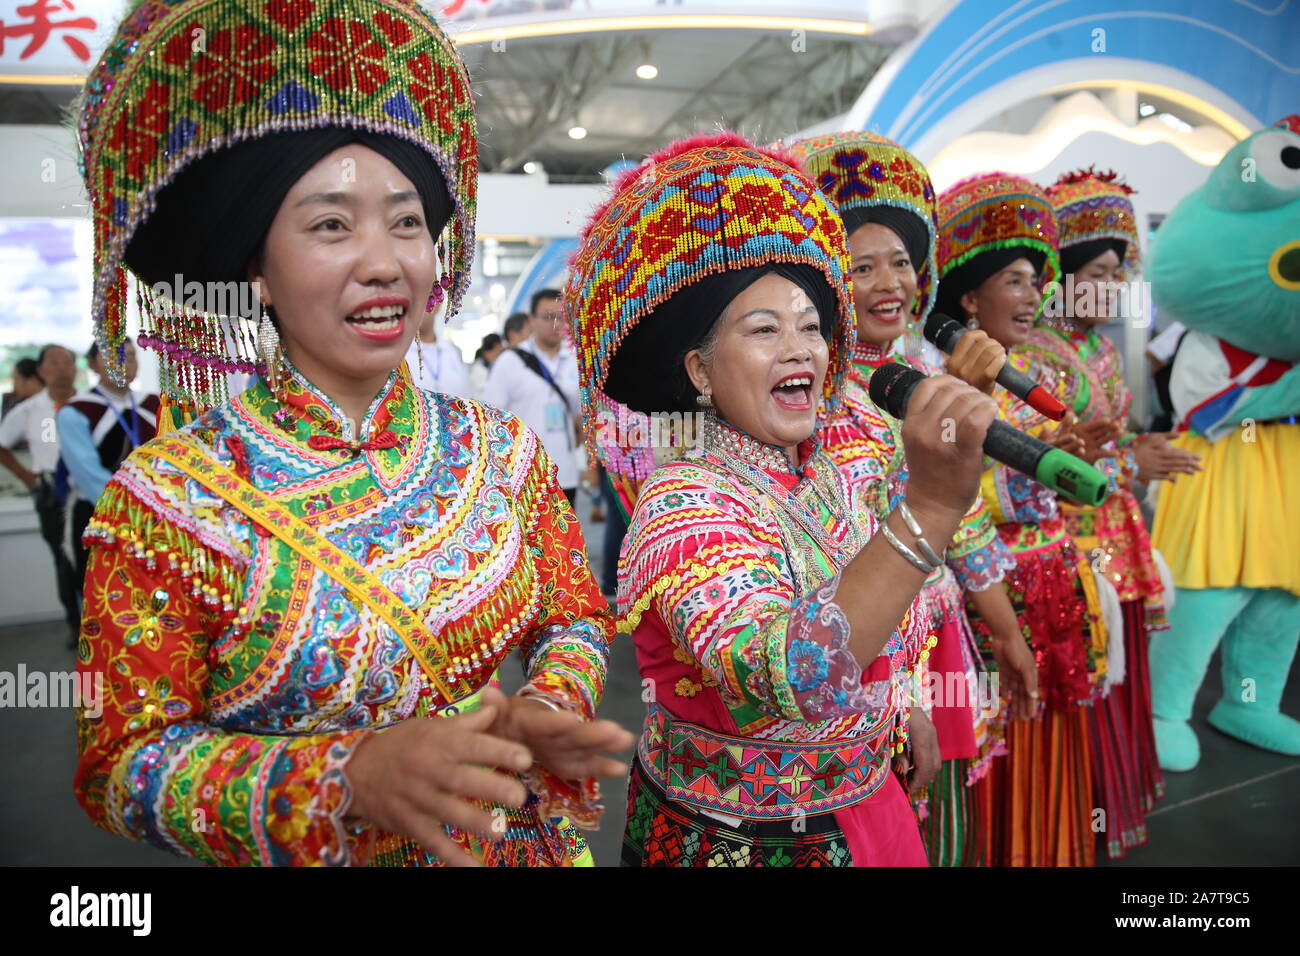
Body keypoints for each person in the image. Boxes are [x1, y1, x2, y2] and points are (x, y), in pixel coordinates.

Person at [72, 0, 631, 868]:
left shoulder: (499, 452)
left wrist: (546, 711)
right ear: (256, 267)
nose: (385, 260)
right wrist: (346, 776)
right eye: (332, 225)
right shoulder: (170, 498)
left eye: (406, 222)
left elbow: (574, 614)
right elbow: (120, 765)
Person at [569, 132, 1000, 867]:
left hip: (867, 805)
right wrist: (927, 510)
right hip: (742, 845)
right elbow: (790, 673)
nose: (801, 349)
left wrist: (899, 705)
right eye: (765, 330)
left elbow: (879, 621)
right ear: (701, 370)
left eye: (810, 327)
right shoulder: (684, 503)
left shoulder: (829, 470)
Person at [790, 131, 1039, 867]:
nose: (888, 282)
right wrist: (892, 695)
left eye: (900, 261)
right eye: (860, 266)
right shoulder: (806, 400)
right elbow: (820, 565)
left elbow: (955, 524)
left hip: (942, 645)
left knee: (947, 824)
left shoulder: (920, 376)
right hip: (861, 661)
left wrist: (1007, 631)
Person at [1019, 169, 1199, 857]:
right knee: (1096, 666)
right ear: (1060, 275)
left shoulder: (1095, 346)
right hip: (1069, 546)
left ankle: (1113, 800)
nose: (1116, 284)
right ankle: (1084, 808)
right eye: (1100, 270)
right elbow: (1037, 464)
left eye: (1121, 270)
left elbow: (1102, 437)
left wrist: (1134, 447)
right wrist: (1130, 465)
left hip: (1112, 536)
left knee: (1123, 668)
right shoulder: (1034, 356)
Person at [936, 171, 1113, 867]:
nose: (1033, 296)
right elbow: (948, 495)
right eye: (1014, 280)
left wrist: (1064, 465)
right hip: (992, 593)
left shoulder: (1040, 378)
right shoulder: (937, 380)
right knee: (1000, 741)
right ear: (969, 298)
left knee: (1053, 734)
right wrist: (1023, 473)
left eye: (1038, 282)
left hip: (1055, 579)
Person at [1146, 116, 1300, 772]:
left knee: (1281, 594)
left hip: (1283, 470)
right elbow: (1207, 411)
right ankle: (1164, 708)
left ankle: (1250, 700)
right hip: (1215, 467)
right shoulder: (1207, 344)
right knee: (1205, 593)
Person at [56, 340, 161, 584]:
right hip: (101, 512)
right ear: (93, 364)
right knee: (104, 592)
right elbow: (88, 472)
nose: (127, 363)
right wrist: (132, 508)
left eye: (132, 356)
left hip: (155, 512)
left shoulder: (155, 404)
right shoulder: (76, 411)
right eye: (115, 356)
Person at [0, 343, 81, 639]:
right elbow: (3, 445)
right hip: (53, 494)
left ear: (77, 369)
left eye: (68, 361)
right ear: (41, 370)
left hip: (91, 492)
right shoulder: (29, 411)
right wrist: (28, 478)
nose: (62, 368)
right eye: (54, 362)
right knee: (64, 560)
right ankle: (76, 623)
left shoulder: (90, 404)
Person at [482, 288, 583, 504]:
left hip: (565, 473)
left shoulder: (574, 359)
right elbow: (492, 417)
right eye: (548, 317)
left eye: (561, 317)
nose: (555, 324)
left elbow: (580, 416)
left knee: (566, 536)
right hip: (524, 474)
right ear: (532, 320)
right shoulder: (511, 361)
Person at [405, 310, 471, 398]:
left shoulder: (454, 351)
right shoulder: (400, 353)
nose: (417, 308)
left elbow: (467, 395)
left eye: (426, 300)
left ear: (437, 304)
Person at [467, 331, 503, 397]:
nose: (502, 348)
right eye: (501, 345)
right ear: (496, 345)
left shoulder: (491, 363)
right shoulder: (479, 367)